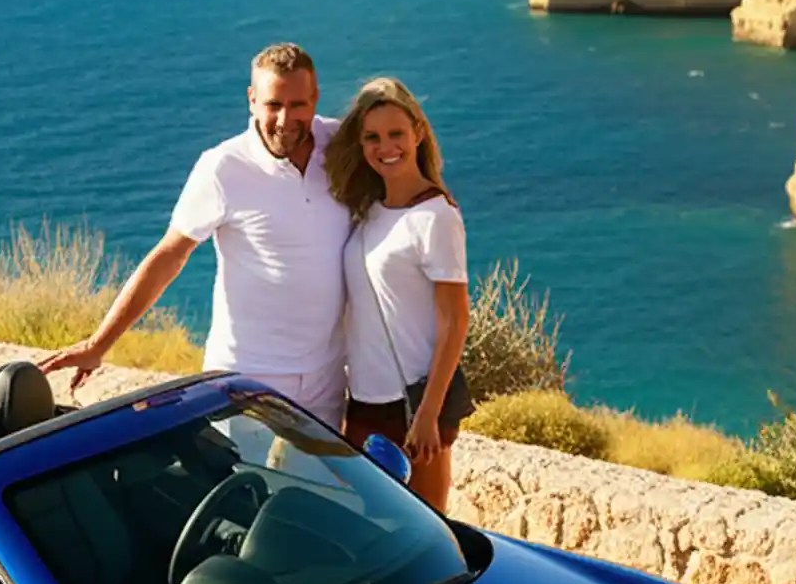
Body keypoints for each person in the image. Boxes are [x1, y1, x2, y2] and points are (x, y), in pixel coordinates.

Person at [37, 42, 352, 470]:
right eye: (273, 104)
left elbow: (401, 152)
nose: (284, 119)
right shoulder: (222, 168)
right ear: (251, 99)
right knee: (252, 496)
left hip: (328, 377)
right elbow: (169, 256)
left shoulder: (341, 147)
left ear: (315, 99)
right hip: (248, 381)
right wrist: (99, 344)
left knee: (322, 498)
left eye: (297, 104)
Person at [324, 77, 474, 513]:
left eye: (396, 134)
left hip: (411, 407)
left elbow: (455, 320)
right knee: (371, 533)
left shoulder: (436, 217)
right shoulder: (367, 211)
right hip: (363, 402)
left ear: (418, 135)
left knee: (428, 535)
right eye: (372, 137)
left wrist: (429, 413)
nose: (385, 146)